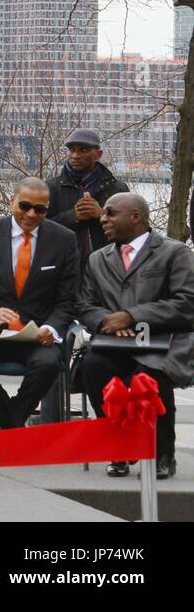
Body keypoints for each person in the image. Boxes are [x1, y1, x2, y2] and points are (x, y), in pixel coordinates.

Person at [78, 193, 194, 480]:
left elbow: (188, 303)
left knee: (148, 377)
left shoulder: (175, 252)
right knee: (92, 367)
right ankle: (120, 446)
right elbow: (84, 304)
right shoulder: (97, 259)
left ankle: (162, 454)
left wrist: (133, 315)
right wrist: (107, 321)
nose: (102, 218)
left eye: (110, 212)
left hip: (163, 343)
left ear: (135, 217)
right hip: (113, 342)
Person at [0, 176, 79, 430]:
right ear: (12, 201)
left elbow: (68, 299)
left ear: (47, 208)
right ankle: (12, 419)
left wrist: (52, 329)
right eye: (24, 206)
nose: (31, 214)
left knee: (48, 365)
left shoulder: (64, 240)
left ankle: (8, 424)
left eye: (40, 209)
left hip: (38, 333)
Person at [39, 128, 129, 422]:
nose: (76, 155)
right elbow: (40, 231)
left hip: (106, 281)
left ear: (97, 154)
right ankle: (51, 424)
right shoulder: (52, 188)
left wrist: (101, 213)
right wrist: (72, 218)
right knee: (53, 348)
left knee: (109, 351)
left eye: (83, 150)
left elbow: (130, 234)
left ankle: (111, 421)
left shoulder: (117, 188)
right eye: (72, 150)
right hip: (62, 281)